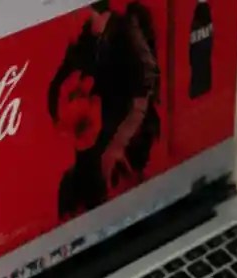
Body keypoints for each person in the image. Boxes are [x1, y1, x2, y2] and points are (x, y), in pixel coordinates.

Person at [48, 1, 162, 220]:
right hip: (92, 140)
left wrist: (118, 144)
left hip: (126, 135)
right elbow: (59, 85)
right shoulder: (84, 37)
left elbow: (145, 87)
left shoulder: (125, 29)